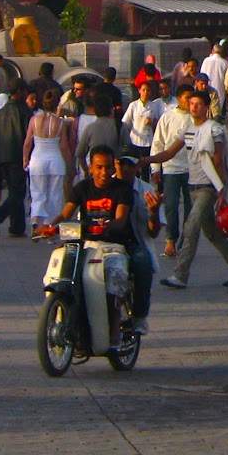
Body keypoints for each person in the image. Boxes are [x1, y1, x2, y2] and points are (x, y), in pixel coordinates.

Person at [159, 91, 228, 290]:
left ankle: (180, 275)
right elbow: (169, 152)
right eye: (191, 103)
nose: (193, 107)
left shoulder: (214, 129)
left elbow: (219, 160)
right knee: (212, 233)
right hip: (193, 186)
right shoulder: (187, 128)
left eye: (198, 104)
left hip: (208, 188)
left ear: (206, 107)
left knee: (191, 227)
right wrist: (145, 161)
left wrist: (221, 191)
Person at [54, 145, 133, 344]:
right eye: (98, 167)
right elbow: (66, 214)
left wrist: (108, 226)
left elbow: (121, 218)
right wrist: (49, 227)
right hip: (86, 246)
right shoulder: (82, 188)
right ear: (90, 167)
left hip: (114, 247)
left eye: (107, 167)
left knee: (115, 273)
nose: (103, 172)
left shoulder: (122, 189)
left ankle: (114, 326)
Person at [114, 154, 159, 335]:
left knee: (142, 262)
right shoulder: (99, 186)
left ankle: (140, 316)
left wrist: (154, 213)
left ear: (137, 167)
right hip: (101, 243)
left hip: (132, 242)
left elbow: (153, 232)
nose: (124, 169)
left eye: (129, 165)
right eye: (120, 164)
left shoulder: (146, 191)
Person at [147, 85, 194, 256]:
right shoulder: (168, 117)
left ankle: (186, 242)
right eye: (187, 98)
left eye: (192, 98)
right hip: (171, 168)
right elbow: (158, 144)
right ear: (179, 98)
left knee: (191, 209)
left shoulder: (197, 119)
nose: (190, 102)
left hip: (192, 170)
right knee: (171, 206)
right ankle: (171, 241)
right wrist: (155, 168)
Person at [24, 87, 74, 239]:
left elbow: (27, 143)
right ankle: (49, 227)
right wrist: (70, 165)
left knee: (37, 193)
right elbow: (64, 147)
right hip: (55, 161)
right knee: (55, 195)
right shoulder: (60, 123)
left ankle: (36, 223)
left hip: (37, 160)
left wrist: (25, 159)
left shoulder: (34, 120)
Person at [0, 87, 32, 237]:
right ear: (19, 92)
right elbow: (29, 137)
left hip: (2, 158)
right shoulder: (24, 111)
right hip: (18, 157)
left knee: (14, 191)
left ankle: (16, 228)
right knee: (18, 193)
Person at [121, 77, 165, 162]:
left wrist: (151, 123)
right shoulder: (133, 105)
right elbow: (125, 122)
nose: (145, 93)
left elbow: (157, 123)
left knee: (146, 164)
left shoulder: (153, 105)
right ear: (139, 90)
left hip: (149, 140)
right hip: (135, 140)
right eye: (143, 90)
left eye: (148, 90)